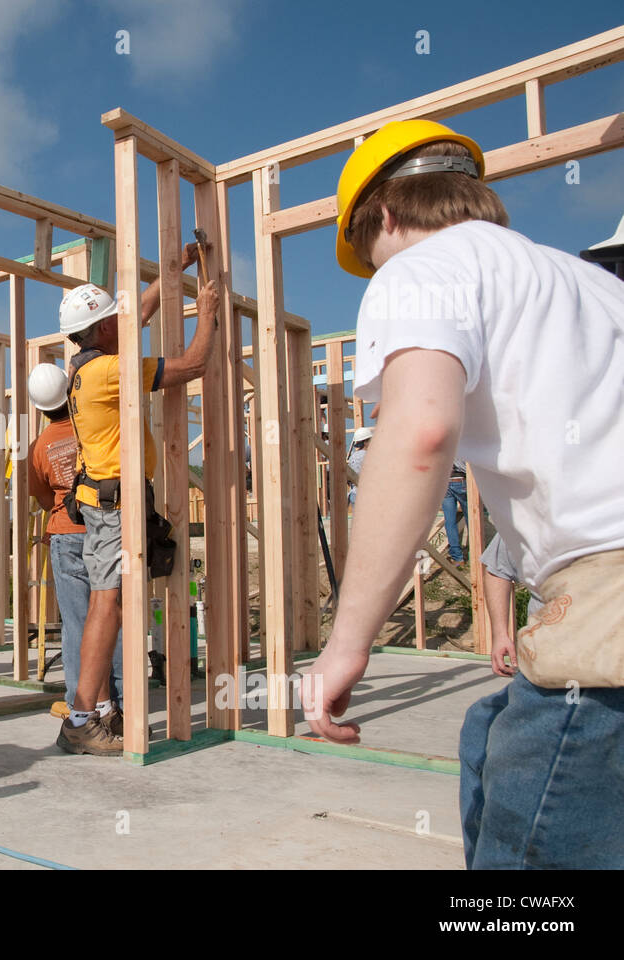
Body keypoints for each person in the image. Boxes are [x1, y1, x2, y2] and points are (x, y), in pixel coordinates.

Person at [304, 120, 624, 868]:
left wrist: (347, 645)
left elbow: (419, 434)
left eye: (368, 254)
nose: (375, 269)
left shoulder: (419, 270)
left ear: (382, 216)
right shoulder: (592, 286)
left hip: (609, 611)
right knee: (488, 732)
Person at [57, 243, 220, 756]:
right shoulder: (110, 371)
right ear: (102, 329)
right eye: (112, 320)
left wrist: (178, 267)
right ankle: (81, 719)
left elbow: (138, 312)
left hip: (102, 503)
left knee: (107, 607)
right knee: (108, 606)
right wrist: (208, 311)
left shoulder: (84, 365)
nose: (122, 323)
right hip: (111, 509)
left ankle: (100, 710)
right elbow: (193, 364)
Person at [24, 363, 122, 718]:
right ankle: (123, 702)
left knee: (77, 623)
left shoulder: (39, 447)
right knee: (113, 615)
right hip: (107, 529)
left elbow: (41, 497)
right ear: (69, 392)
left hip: (66, 534)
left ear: (39, 407)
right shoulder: (93, 425)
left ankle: (80, 704)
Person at [479, 532, 543, 679]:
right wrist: (500, 634)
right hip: (542, 655)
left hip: (602, 658)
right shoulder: (531, 518)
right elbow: (499, 569)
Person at [441, 459, 468, 564]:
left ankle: (457, 557)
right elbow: (465, 467)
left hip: (445, 482)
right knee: (471, 517)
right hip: (460, 481)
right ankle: (477, 553)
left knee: (450, 521)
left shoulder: (445, 446)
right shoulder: (461, 446)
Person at [346, 426, 372, 505]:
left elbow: (348, 478)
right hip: (367, 495)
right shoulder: (370, 456)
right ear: (365, 442)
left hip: (354, 494)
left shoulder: (352, 457)